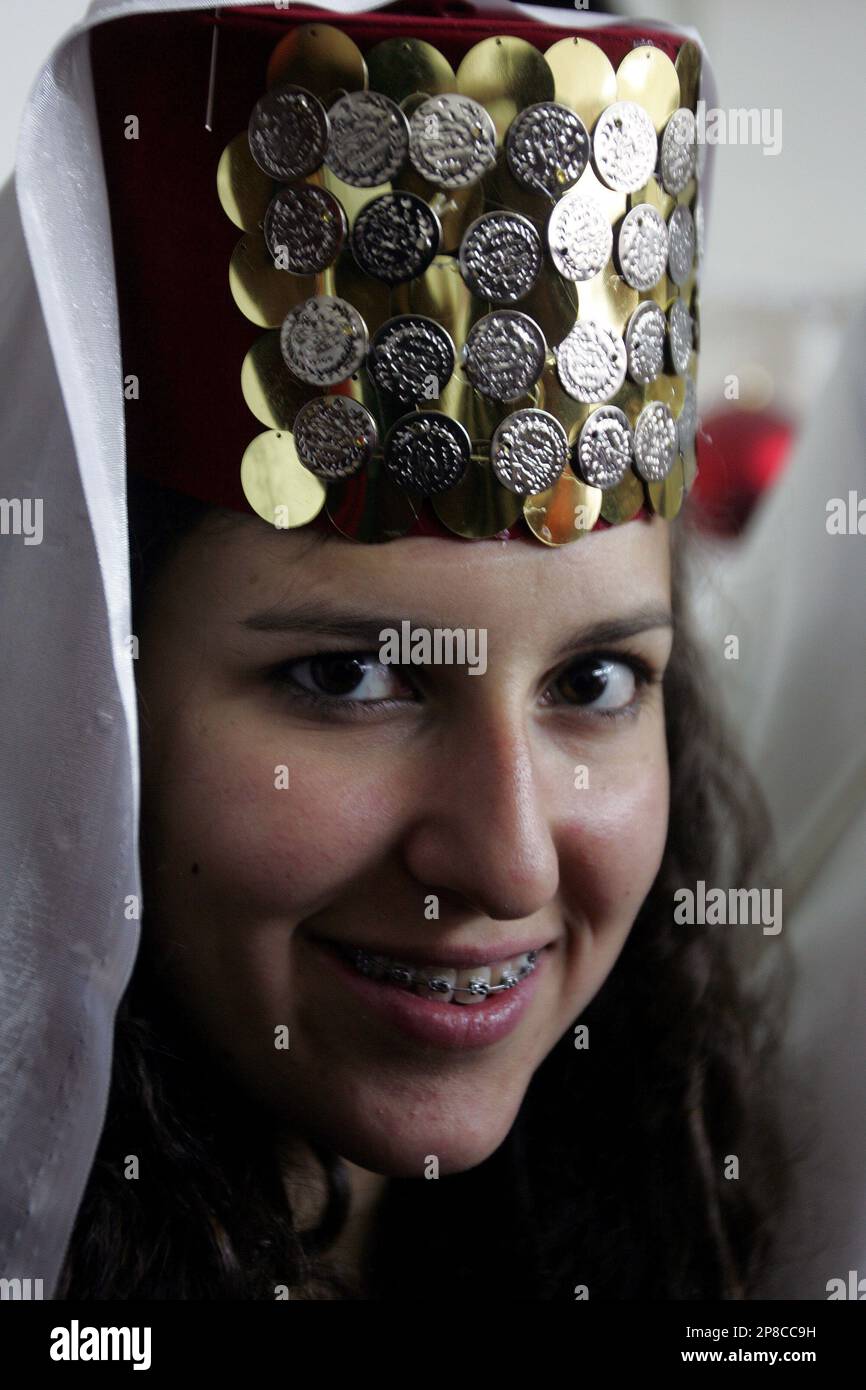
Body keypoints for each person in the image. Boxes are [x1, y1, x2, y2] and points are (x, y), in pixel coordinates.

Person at [1, 0, 788, 1300]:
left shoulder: (725, 1225)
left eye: (592, 681)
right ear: (88, 687)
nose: (508, 857)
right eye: (348, 677)